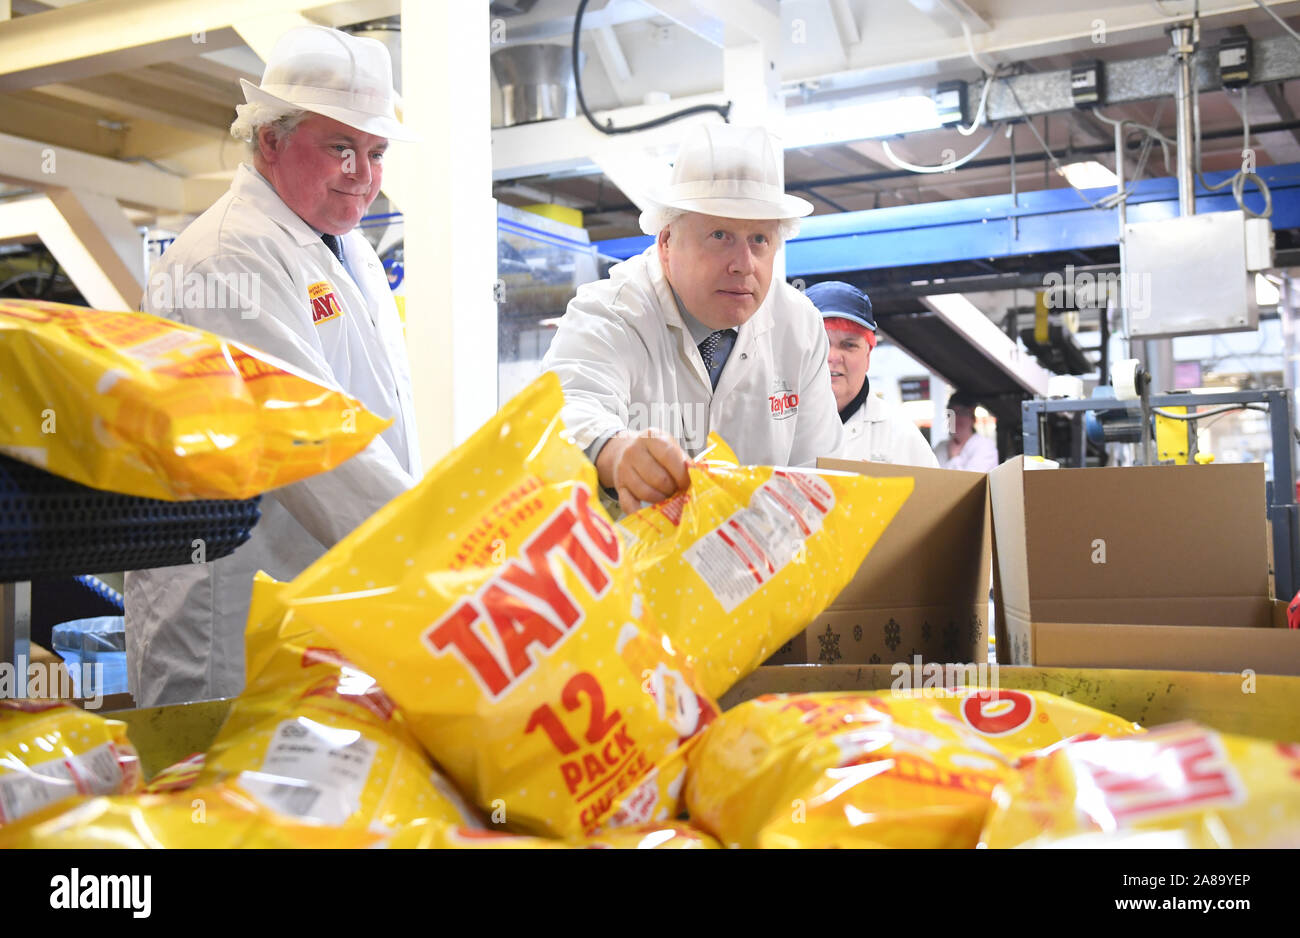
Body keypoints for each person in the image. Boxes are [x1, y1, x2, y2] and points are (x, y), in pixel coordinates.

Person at [125, 26, 421, 706]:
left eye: (375, 152)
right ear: (270, 139)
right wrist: (435, 553)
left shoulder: (349, 252)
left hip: (316, 606)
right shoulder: (226, 257)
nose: (364, 176)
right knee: (220, 805)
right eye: (340, 148)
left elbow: (373, 420)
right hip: (226, 620)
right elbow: (308, 440)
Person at [542, 123, 843, 514]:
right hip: (629, 567)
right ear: (667, 242)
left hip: (753, 564)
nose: (743, 265)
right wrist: (615, 452)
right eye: (720, 235)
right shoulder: (611, 313)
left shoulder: (798, 325)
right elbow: (570, 407)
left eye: (760, 240)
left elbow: (816, 472)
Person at [807, 281, 938, 468]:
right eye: (823, 344)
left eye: (849, 345)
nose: (834, 357)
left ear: (868, 355)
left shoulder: (900, 437)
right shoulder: (773, 427)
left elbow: (934, 496)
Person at [933, 390, 999, 471]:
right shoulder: (941, 447)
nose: (955, 418)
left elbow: (970, 481)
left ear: (973, 418)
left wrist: (954, 457)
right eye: (951, 413)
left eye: (961, 412)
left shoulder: (985, 446)